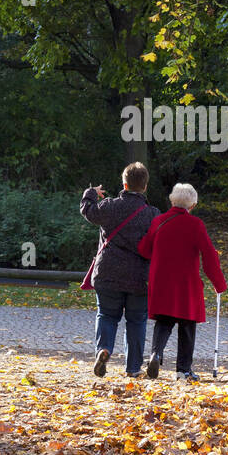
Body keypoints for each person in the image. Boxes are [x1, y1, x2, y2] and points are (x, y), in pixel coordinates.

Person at [138, 183, 227, 381]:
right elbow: (209, 256)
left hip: (161, 280)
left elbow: (144, 249)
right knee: (187, 325)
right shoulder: (195, 225)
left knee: (163, 321)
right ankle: (183, 370)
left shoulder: (158, 221)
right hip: (186, 282)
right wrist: (219, 284)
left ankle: (155, 354)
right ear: (193, 205)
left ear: (172, 201)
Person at [80, 162, 160, 379]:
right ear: (144, 186)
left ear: (124, 184)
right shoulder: (152, 214)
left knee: (106, 314)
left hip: (108, 273)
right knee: (136, 320)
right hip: (138, 277)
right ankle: (133, 367)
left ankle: (103, 349)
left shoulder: (110, 206)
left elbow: (88, 211)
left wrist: (90, 193)